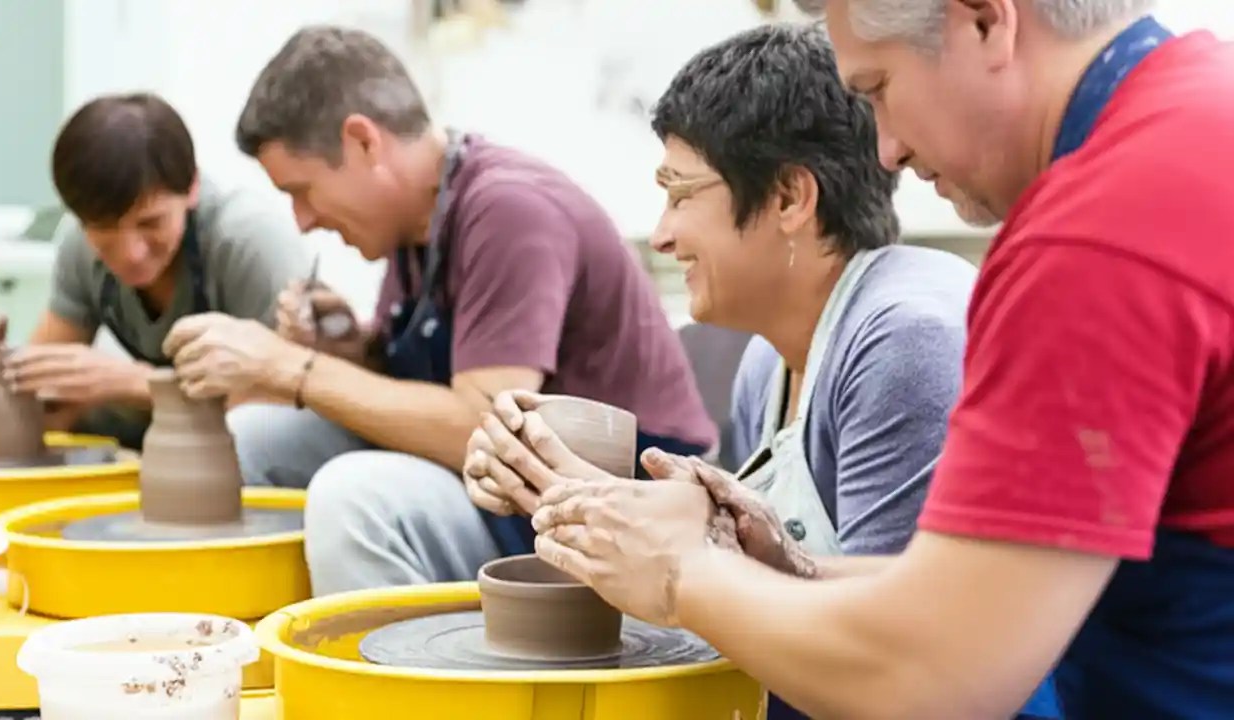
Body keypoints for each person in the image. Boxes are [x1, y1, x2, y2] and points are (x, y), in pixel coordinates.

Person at [479, 2, 1234, 718]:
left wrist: (684, 574)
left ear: (983, 19)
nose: (884, 151)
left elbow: (933, 682)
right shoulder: (1198, 113)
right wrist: (776, 565)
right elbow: (974, 596)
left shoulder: (1089, 241)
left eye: (877, 89)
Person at [161, 25, 716, 596]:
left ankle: (393, 676)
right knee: (251, 437)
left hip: (615, 504)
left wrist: (286, 367)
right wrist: (357, 350)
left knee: (354, 500)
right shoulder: (416, 223)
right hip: (509, 483)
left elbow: (480, 426)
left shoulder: (509, 210)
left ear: (364, 143)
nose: (302, 220)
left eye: (302, 191)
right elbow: (432, 393)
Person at [0, 93, 307, 450]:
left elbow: (285, 397)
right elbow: (38, 393)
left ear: (192, 188)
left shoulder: (247, 240)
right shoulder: (79, 248)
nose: (131, 254)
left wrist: (140, 384)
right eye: (103, 227)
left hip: (266, 433)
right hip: (177, 426)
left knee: (247, 432)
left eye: (150, 222)